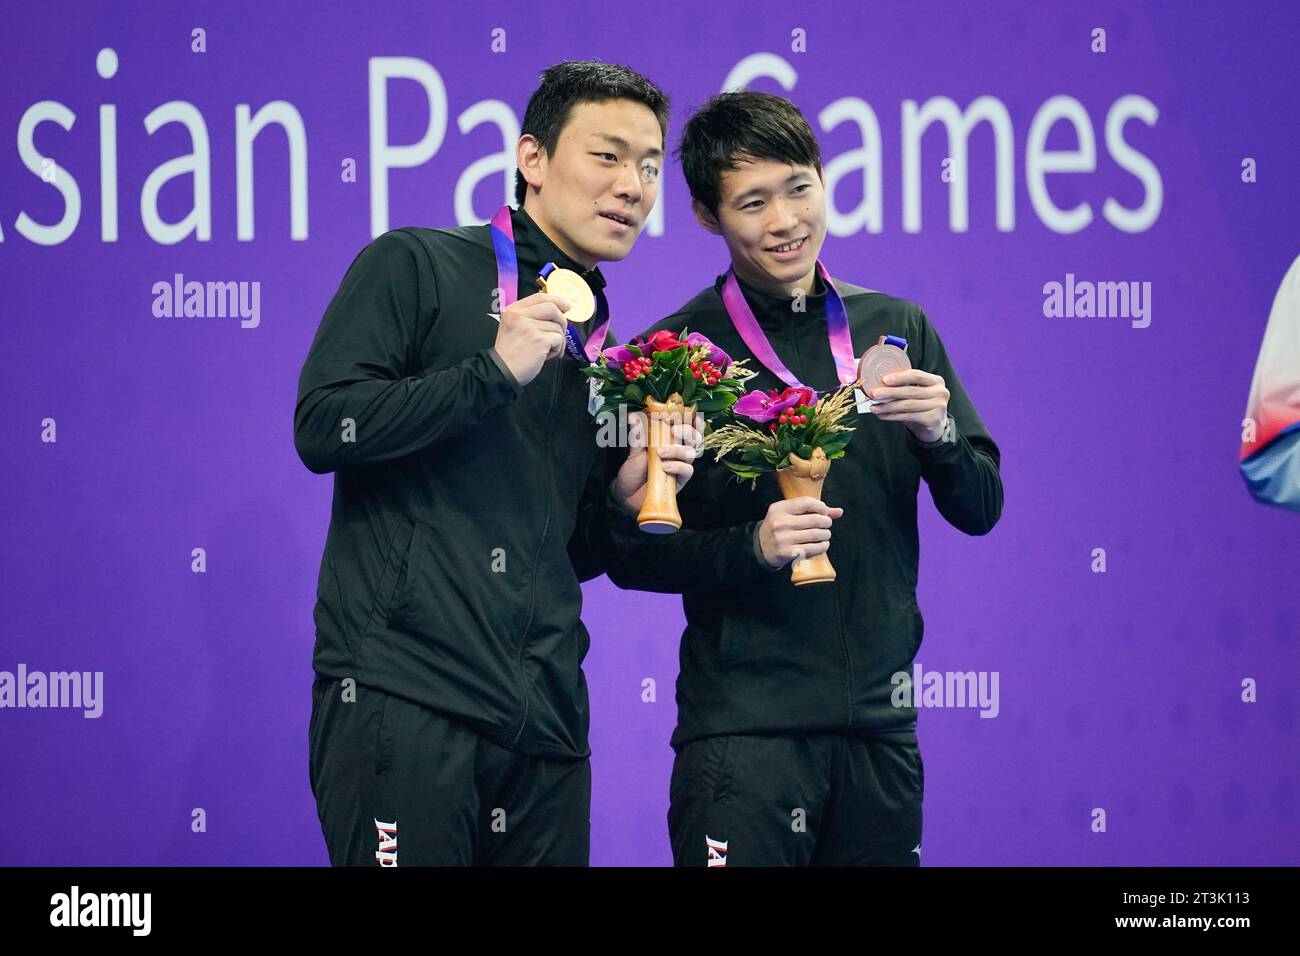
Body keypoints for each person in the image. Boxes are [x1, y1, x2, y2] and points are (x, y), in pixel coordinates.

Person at [294, 60, 701, 866]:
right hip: (408, 695)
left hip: (544, 718)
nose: (633, 186)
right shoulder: (417, 264)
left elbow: (567, 552)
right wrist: (488, 373)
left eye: (651, 167)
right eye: (608, 156)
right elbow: (323, 426)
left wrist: (621, 502)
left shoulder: (605, 351)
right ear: (533, 159)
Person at [606, 91, 1004, 866]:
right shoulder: (674, 356)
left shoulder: (899, 328)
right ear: (705, 215)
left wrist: (940, 432)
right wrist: (751, 546)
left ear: (824, 179)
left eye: (799, 187)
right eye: (753, 202)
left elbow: (981, 506)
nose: (786, 220)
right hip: (745, 738)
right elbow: (629, 554)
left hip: (880, 733)